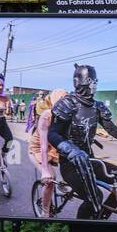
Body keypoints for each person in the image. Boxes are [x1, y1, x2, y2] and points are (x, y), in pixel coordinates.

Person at [48, 64, 117, 220]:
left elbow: (111, 128)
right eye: (91, 80)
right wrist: (70, 149)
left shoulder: (97, 106)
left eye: (95, 81)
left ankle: (101, 217)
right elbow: (53, 133)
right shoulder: (67, 103)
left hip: (90, 160)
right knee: (94, 197)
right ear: (82, 82)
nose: (94, 85)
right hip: (70, 164)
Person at [30, 87, 68, 217]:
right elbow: (43, 146)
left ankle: (63, 187)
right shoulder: (47, 115)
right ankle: (45, 214)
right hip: (38, 151)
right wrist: (45, 170)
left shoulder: (69, 115)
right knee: (50, 179)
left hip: (56, 151)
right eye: (61, 99)